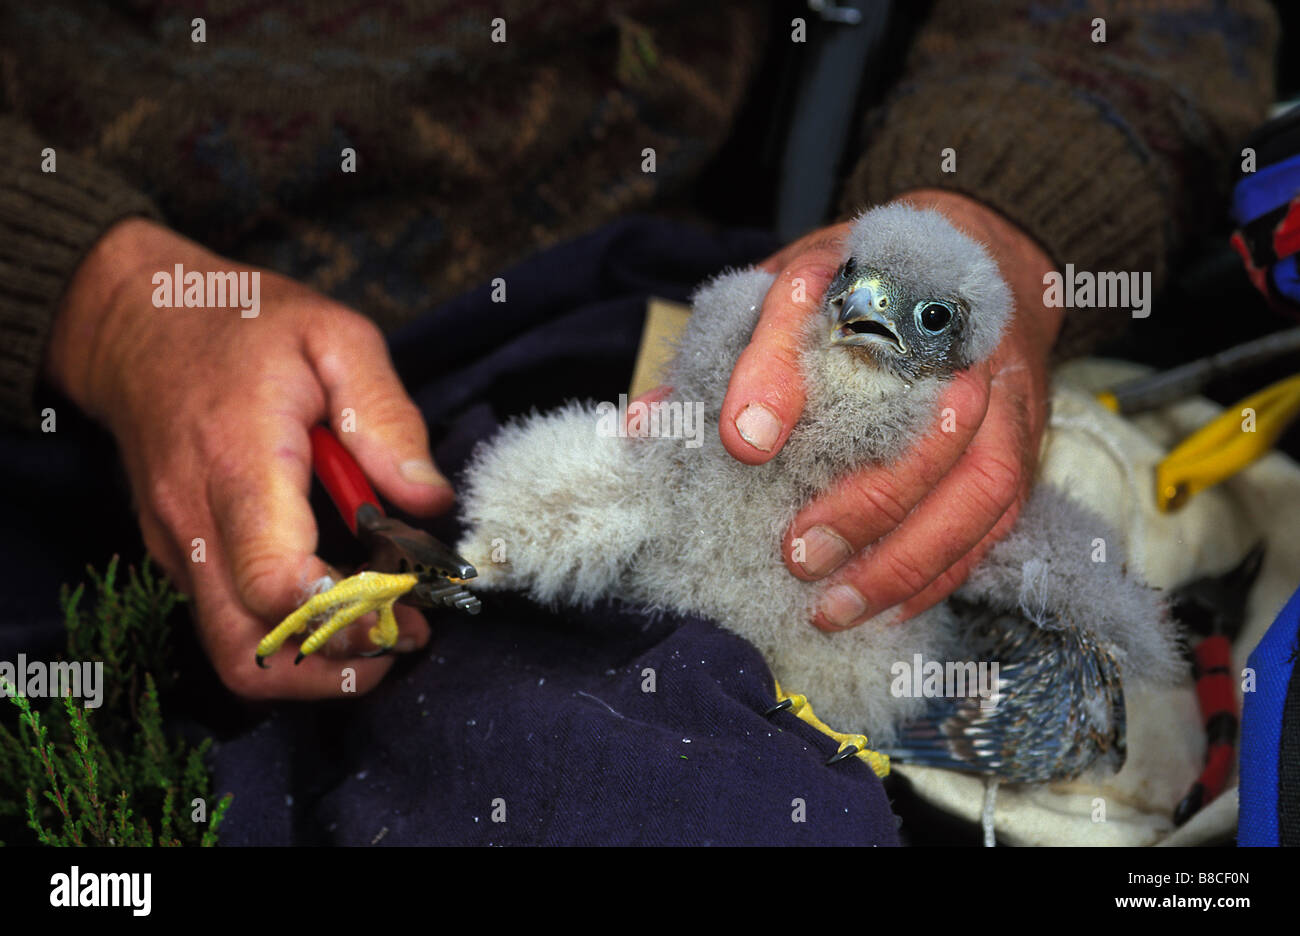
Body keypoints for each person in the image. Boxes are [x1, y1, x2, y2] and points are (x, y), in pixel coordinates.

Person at [0, 1, 1279, 703]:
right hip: (89, 365)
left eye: (919, 327)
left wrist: (1003, 209)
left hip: (644, 253)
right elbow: (556, 516)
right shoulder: (674, 447)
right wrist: (100, 298)